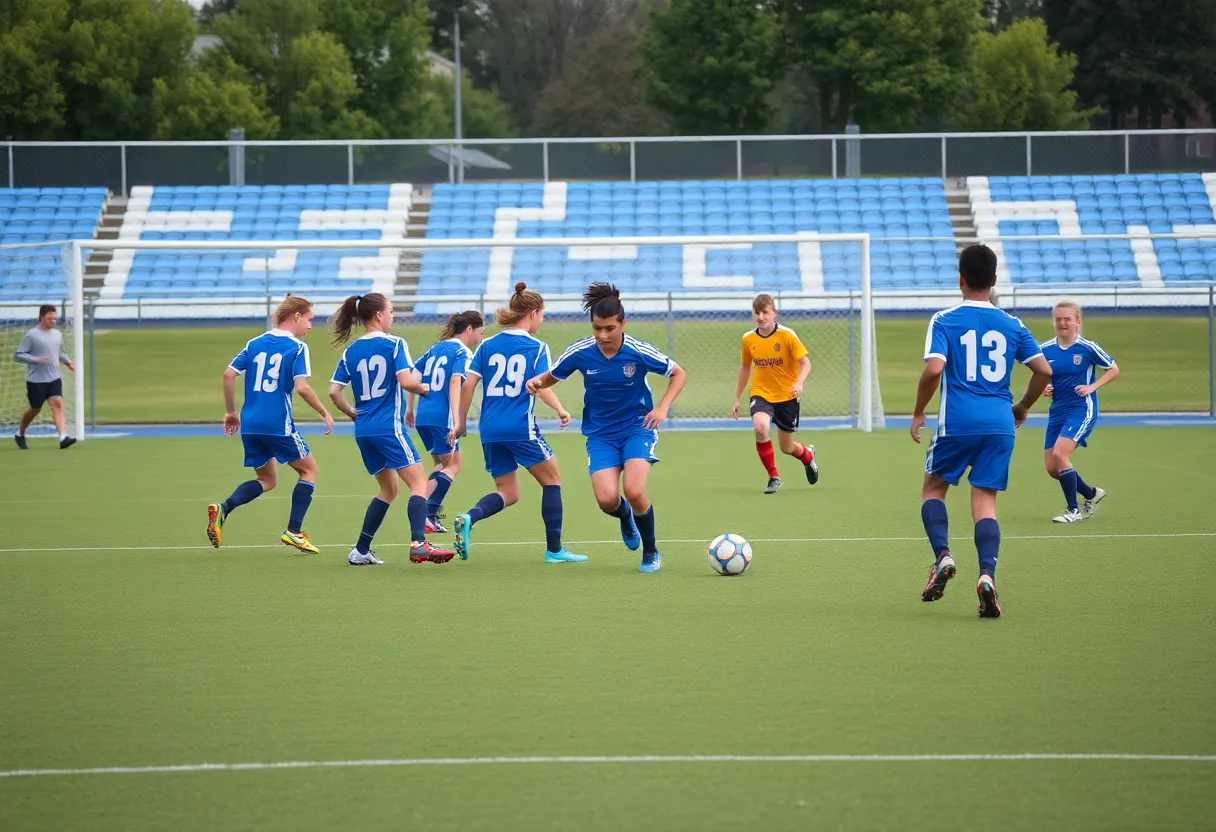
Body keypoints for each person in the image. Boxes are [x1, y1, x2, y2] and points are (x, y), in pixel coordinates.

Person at [910, 245, 1053, 619]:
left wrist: (918, 411)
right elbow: (1043, 371)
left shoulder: (944, 319)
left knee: (933, 489)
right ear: (993, 281)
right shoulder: (1013, 324)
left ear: (960, 279)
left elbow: (934, 370)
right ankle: (986, 575)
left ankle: (942, 556)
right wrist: (1022, 406)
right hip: (999, 425)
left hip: (958, 422)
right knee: (985, 502)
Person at [527, 282, 687, 574]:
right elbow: (553, 375)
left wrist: (662, 407)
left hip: (638, 427)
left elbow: (678, 373)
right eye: (597, 328)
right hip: (600, 434)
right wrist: (537, 382)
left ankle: (650, 552)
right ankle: (625, 516)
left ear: (623, 324)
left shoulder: (638, 351)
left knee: (635, 490)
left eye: (610, 328)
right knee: (606, 500)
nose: (603, 335)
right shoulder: (582, 352)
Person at [448, 282, 584, 564]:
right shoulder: (536, 348)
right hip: (520, 427)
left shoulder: (486, 345)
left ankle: (469, 517)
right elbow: (541, 384)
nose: (542, 320)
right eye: (542, 314)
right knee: (552, 480)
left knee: (508, 493)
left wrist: (460, 423)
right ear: (533, 313)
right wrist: (560, 408)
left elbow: (468, 385)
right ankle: (555, 550)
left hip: (489, 430)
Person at [328, 293, 455, 565]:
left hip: (364, 430)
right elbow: (406, 381)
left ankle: (361, 550)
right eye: (391, 311)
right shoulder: (395, 343)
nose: (392, 316)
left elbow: (334, 392)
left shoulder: (351, 350)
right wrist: (424, 389)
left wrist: (352, 413)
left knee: (388, 490)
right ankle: (419, 543)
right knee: (419, 482)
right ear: (378, 315)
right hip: (388, 427)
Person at [207, 296, 334, 555]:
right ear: (296, 316)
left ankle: (224, 508)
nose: (310, 326)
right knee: (309, 471)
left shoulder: (254, 343)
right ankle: (294, 532)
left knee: (266, 479)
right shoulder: (297, 348)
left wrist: (231, 412)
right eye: (309, 319)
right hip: (277, 424)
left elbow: (228, 374)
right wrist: (324, 411)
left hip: (250, 424)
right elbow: (302, 387)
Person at [405, 310, 486, 534]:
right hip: (443, 417)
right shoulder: (463, 352)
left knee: (441, 465)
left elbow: (412, 375)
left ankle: (428, 515)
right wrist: (457, 418)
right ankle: (423, 513)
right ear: (470, 329)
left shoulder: (436, 348)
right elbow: (454, 382)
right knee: (453, 465)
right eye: (481, 332)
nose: (480, 337)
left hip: (424, 416)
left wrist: (410, 408)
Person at [731, 293, 818, 494]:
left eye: (765, 312)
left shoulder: (787, 335)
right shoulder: (748, 339)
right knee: (761, 428)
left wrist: (799, 382)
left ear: (774, 313)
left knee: (787, 447)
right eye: (757, 313)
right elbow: (745, 367)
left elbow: (805, 363)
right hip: (761, 393)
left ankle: (807, 455)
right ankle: (774, 477)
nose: (761, 317)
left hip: (787, 397)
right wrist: (737, 397)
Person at [1040, 301, 1118, 523]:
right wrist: (1045, 387)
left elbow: (1113, 368)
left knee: (1060, 455)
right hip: (1057, 411)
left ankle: (1073, 511)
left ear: (1077, 321)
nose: (1062, 323)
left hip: (1082, 409)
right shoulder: (1045, 350)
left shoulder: (1088, 347)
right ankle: (1092, 494)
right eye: (1058, 319)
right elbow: (1043, 377)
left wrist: (1092, 387)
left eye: (1067, 319)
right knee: (1052, 468)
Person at [12, 304, 76, 449]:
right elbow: (18, 355)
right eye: (50, 318)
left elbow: (59, 353)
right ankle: (20, 433)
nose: (53, 321)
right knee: (35, 409)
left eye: (54, 318)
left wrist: (68, 362)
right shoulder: (31, 335)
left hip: (54, 377)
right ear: (41, 317)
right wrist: (35, 359)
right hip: (36, 379)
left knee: (58, 404)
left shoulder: (57, 334)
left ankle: (63, 437)